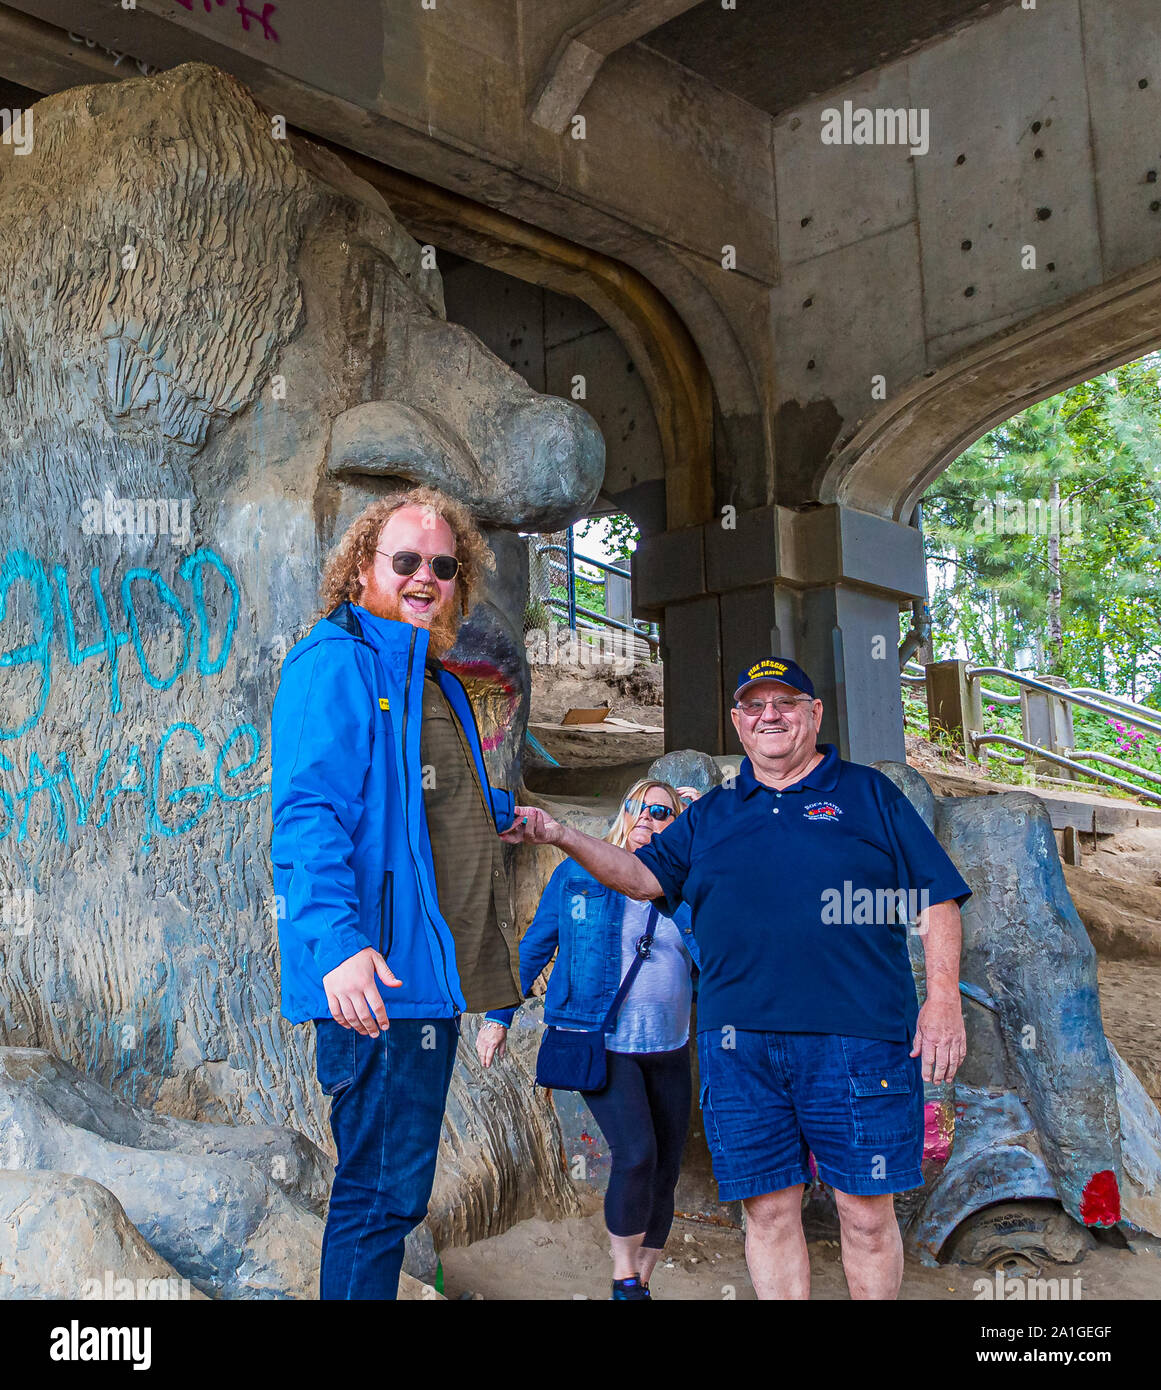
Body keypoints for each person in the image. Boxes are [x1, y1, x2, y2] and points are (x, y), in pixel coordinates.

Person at [501, 656, 972, 1301]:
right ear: (738, 723)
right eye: (755, 706)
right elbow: (641, 877)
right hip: (739, 1049)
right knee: (768, 1212)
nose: (770, 715)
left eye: (785, 702)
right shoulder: (712, 814)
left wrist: (943, 996)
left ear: (814, 715)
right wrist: (559, 833)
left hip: (860, 1041)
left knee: (865, 1216)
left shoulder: (870, 794)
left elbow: (935, 901)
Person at [271, 486, 523, 1300]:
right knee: (379, 1194)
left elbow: (420, 809)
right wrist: (337, 946)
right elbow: (309, 814)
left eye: (443, 565)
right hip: (373, 981)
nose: (425, 576)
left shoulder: (435, 680)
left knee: (395, 1193)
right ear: (359, 572)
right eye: (405, 560)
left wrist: (504, 818)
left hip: (427, 980)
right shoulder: (335, 658)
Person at [478, 778, 700, 1301]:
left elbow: (716, 953)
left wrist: (694, 840)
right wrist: (499, 1017)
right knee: (638, 1153)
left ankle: (641, 1284)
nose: (647, 817)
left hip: (670, 1048)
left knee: (667, 1167)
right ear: (622, 813)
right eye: (637, 807)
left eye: (662, 812)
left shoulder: (690, 885)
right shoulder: (577, 873)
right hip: (602, 1040)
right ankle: (623, 1279)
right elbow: (533, 947)